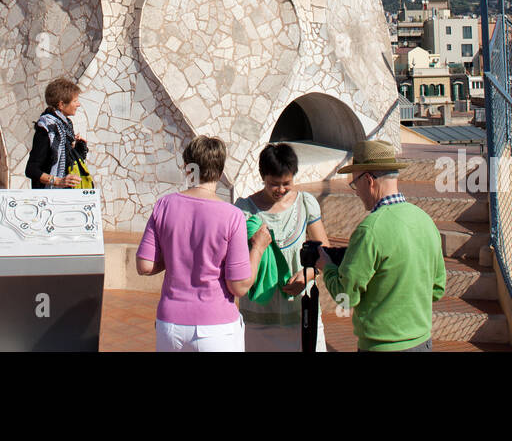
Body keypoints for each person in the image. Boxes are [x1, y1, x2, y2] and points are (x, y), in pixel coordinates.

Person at [136, 136, 273, 352]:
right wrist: (258, 248)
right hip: (216, 326)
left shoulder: (164, 205)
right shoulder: (232, 216)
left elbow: (144, 265)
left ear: (187, 168)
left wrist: (177, 256)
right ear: (220, 172)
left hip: (170, 324)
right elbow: (238, 286)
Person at [318, 140, 445, 352]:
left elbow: (346, 297)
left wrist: (327, 268)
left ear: (368, 180)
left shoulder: (370, 230)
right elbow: (438, 289)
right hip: (422, 343)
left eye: (354, 183)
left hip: (380, 346)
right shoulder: (425, 220)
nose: (355, 191)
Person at [234, 143, 331, 351]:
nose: (281, 190)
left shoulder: (306, 204)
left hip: (302, 315)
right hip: (258, 321)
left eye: (286, 183)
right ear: (263, 177)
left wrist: (308, 274)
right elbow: (235, 260)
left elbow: (325, 252)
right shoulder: (244, 210)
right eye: (273, 184)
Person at [25, 77, 90, 189]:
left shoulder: (66, 125)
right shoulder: (46, 130)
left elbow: (68, 162)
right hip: (49, 196)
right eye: (75, 101)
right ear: (61, 105)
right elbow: (31, 170)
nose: (78, 104)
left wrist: (77, 147)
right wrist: (58, 181)